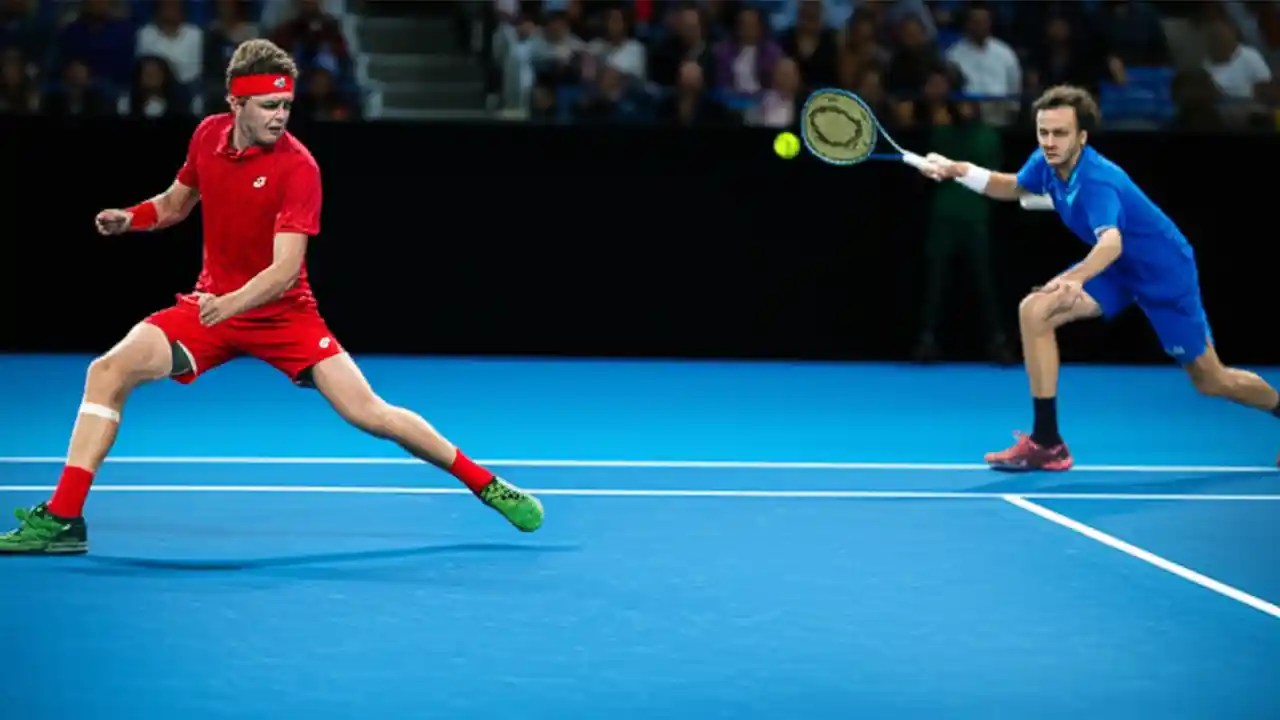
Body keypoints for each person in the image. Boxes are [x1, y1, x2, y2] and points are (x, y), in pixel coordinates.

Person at [0, 40, 543, 554]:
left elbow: (285, 271)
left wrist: (230, 304)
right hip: (213, 308)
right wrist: (131, 219)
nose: (280, 116)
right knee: (108, 371)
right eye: (267, 106)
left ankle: (485, 484)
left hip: (284, 316)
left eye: (286, 104)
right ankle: (64, 518)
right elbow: (174, 203)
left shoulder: (298, 167)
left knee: (370, 413)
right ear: (235, 102)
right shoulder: (206, 136)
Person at [918, 84, 1280, 471]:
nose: (1050, 141)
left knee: (1210, 381)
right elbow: (1012, 186)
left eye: (1060, 133)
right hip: (1116, 270)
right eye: (1044, 132)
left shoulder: (1097, 180)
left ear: (1082, 137)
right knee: (1035, 311)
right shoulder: (1045, 162)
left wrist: (1074, 278)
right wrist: (957, 170)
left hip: (1162, 273)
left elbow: (1111, 243)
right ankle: (1047, 442)